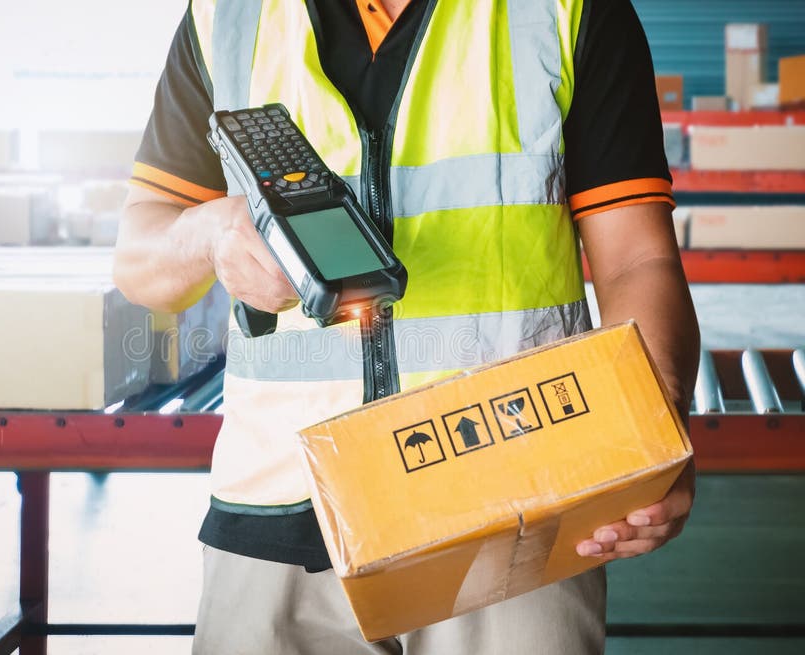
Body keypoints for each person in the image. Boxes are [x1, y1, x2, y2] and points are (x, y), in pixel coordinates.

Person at [115, 0, 700, 652]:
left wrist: (653, 427)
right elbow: (139, 257)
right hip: (280, 514)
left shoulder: (567, 11)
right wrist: (212, 230)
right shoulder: (228, 16)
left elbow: (637, 260)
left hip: (516, 500)